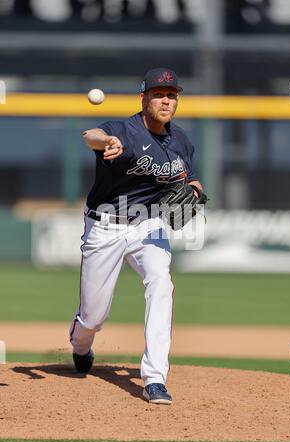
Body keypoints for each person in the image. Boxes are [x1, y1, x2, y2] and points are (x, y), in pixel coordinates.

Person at [69, 68, 203, 405]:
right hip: (105, 224)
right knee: (93, 318)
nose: (166, 100)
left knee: (161, 283)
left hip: (148, 223)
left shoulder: (181, 141)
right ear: (143, 98)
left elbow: (194, 181)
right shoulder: (122, 130)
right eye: (158, 94)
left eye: (171, 95)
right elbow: (91, 134)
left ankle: (155, 378)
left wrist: (195, 193)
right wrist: (107, 143)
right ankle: (81, 345)